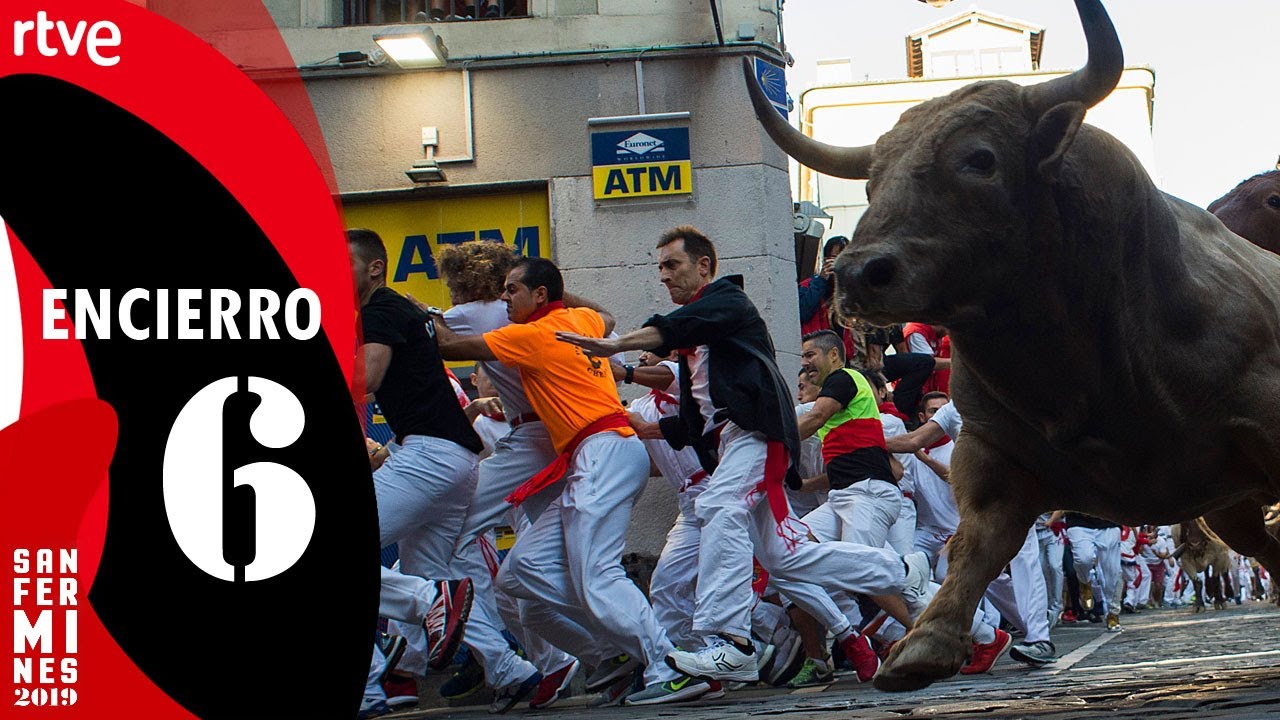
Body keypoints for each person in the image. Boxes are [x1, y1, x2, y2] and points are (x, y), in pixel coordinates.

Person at [558, 225, 931, 687]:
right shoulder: (700, 342)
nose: (664, 276)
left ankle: (732, 642)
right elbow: (695, 417)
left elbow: (676, 326)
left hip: (757, 436)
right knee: (785, 558)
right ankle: (902, 570)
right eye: (660, 268)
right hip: (735, 443)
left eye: (672, 265)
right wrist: (649, 426)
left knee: (719, 505)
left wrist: (616, 345)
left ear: (704, 266)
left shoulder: (729, 302)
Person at [430, 256, 707, 706]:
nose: (503, 298)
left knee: (596, 577)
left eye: (512, 290)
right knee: (519, 573)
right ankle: (622, 652)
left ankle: (668, 664)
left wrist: (422, 313)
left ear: (539, 295)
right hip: (601, 454)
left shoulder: (530, 334)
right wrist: (555, 293)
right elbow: (607, 316)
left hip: (602, 451)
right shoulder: (579, 320)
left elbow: (449, 347)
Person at [348, 229, 479, 718]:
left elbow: (368, 377)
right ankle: (385, 683)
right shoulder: (398, 310)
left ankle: (425, 601)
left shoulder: (379, 309)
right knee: (430, 571)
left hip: (429, 456)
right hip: (453, 460)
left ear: (375, 268)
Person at [886, 396, 1058, 667]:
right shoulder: (952, 409)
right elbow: (913, 440)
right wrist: (867, 441)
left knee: (1025, 561)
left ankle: (1039, 638)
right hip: (982, 505)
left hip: (1018, 494)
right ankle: (1028, 629)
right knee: (983, 571)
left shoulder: (1012, 399)